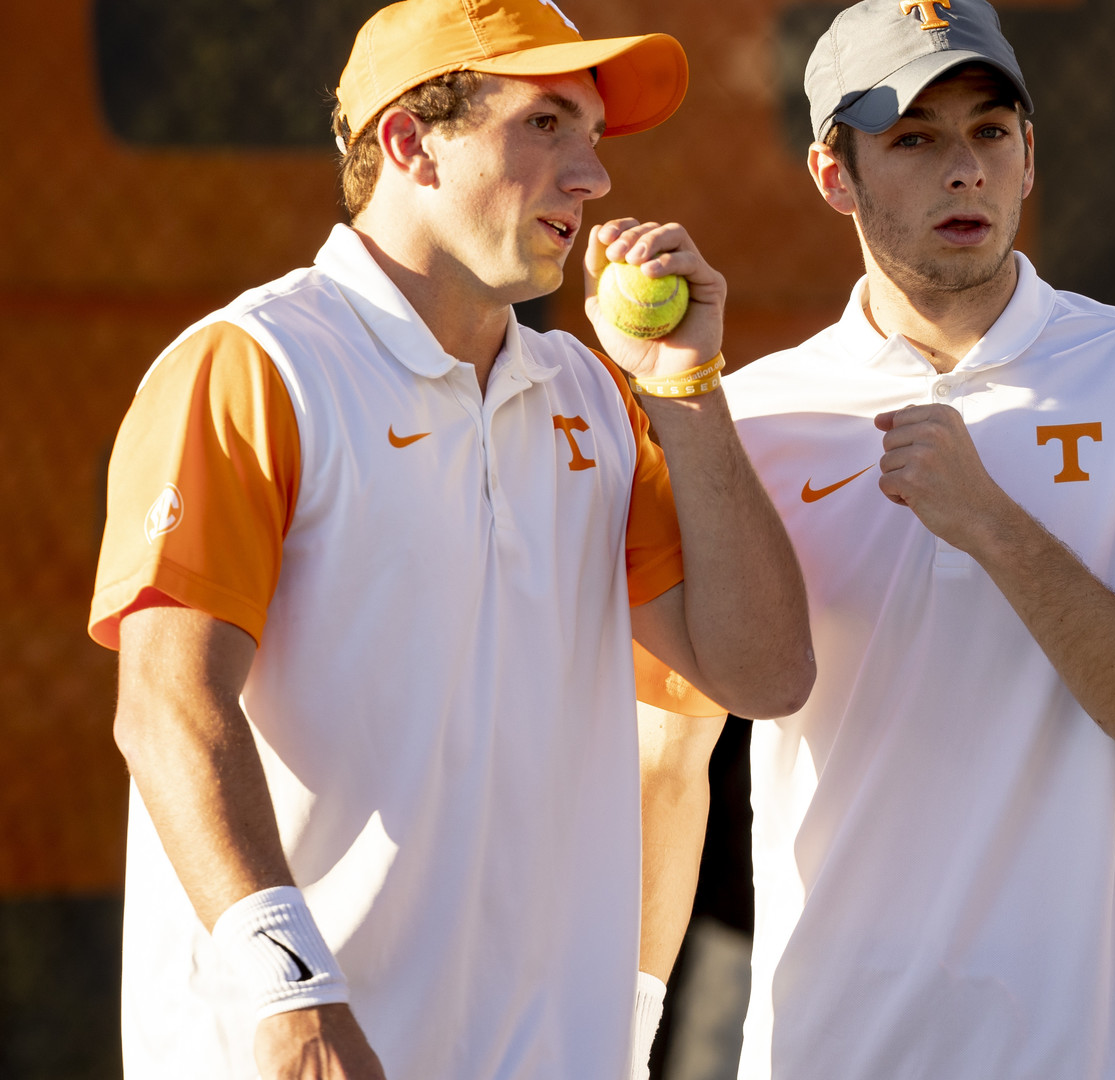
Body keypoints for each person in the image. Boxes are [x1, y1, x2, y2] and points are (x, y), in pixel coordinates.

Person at [88, 0, 812, 1076]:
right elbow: (167, 704)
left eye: (594, 138)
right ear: (407, 141)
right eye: (547, 126)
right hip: (291, 1049)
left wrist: (688, 392)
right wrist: (293, 995)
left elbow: (763, 673)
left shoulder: (601, 400)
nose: (594, 177)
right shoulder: (253, 364)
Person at [695, 1, 1115, 1076]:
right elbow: (676, 747)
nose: (964, 170)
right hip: (833, 1051)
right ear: (833, 176)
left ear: (1030, 157)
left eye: (990, 131)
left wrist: (995, 529)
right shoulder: (748, 417)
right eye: (914, 139)